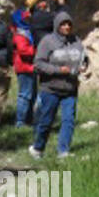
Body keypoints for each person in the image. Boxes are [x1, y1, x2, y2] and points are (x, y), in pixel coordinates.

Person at [30, 9, 88, 159]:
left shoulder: (76, 41)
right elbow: (38, 64)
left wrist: (84, 66)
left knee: (68, 120)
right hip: (50, 88)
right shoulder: (47, 41)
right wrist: (58, 70)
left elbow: (84, 57)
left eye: (69, 24)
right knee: (46, 121)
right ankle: (38, 148)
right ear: (57, 25)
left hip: (70, 88)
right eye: (63, 24)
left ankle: (63, 151)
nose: (67, 27)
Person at [11, 6, 36, 127]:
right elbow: (23, 51)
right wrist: (36, 49)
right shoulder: (20, 34)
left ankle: (28, 119)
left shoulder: (24, 31)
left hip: (28, 66)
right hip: (24, 66)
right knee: (25, 94)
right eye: (26, 19)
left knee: (31, 94)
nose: (28, 21)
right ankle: (20, 121)